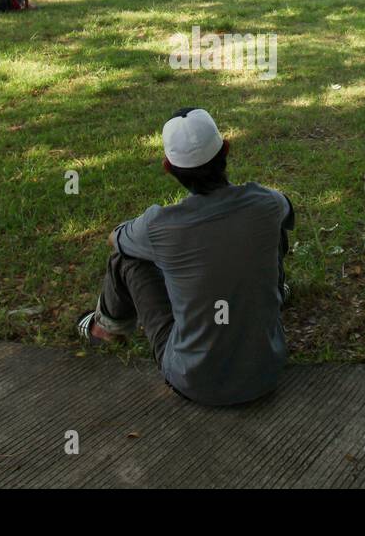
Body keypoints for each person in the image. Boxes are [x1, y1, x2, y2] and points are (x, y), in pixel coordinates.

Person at [77, 108, 294, 406]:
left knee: (126, 259)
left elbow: (114, 241)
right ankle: (274, 294)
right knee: (276, 229)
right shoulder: (267, 203)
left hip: (192, 380)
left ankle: (106, 329)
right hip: (268, 370)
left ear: (168, 167)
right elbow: (288, 211)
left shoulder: (158, 225)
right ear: (226, 149)